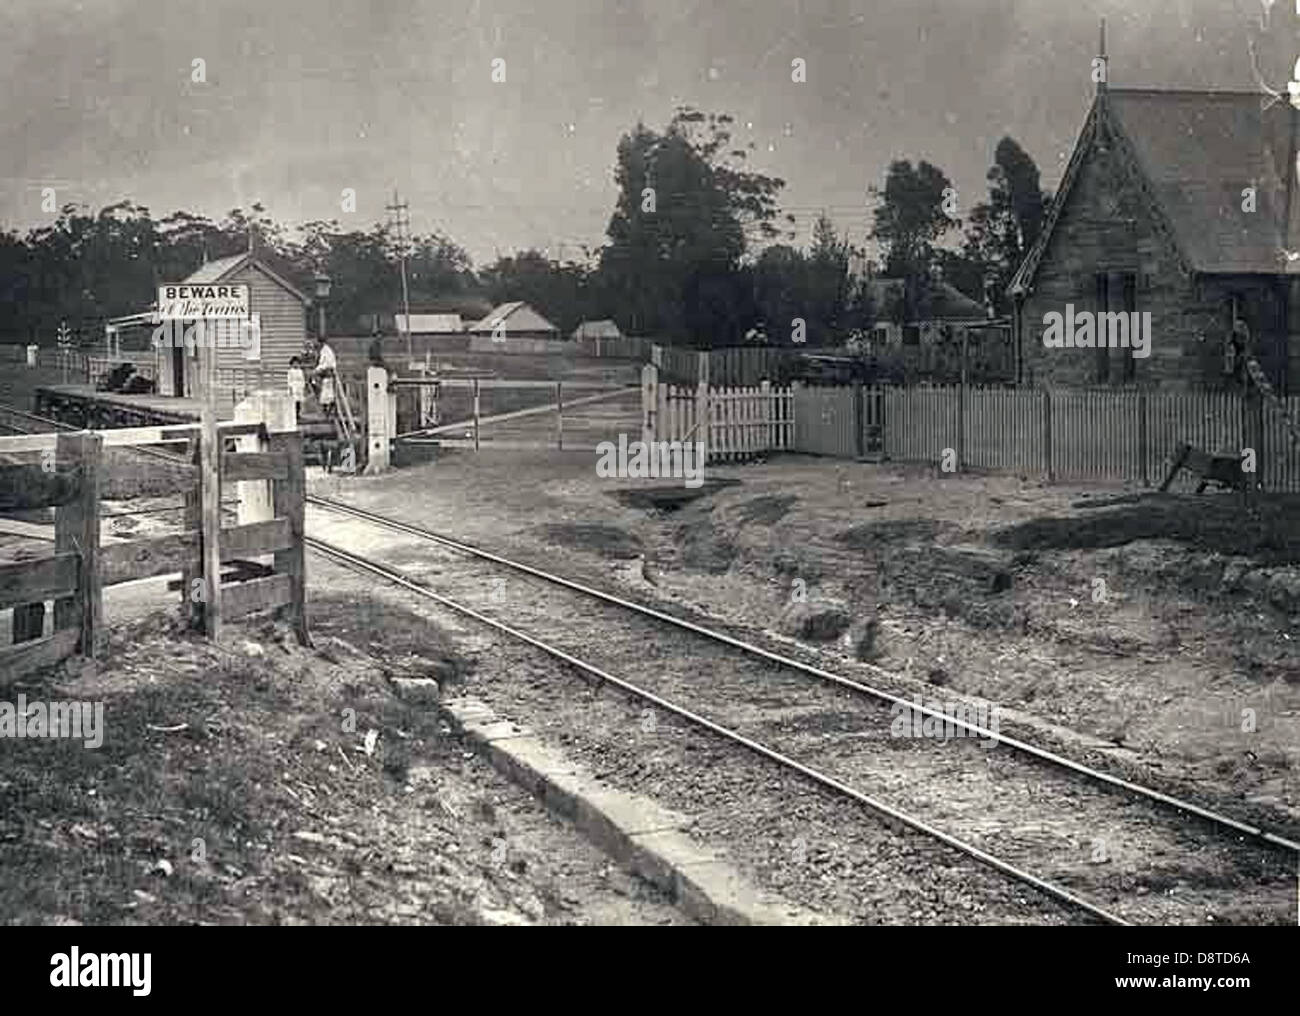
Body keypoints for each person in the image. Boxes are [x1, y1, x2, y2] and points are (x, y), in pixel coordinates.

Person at [313, 334, 338, 423]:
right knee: (323, 393)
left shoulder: (327, 351)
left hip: (327, 373)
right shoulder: (323, 351)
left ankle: (329, 411)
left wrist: (317, 370)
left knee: (328, 394)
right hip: (323, 374)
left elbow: (327, 364)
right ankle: (326, 411)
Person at [287, 356, 306, 420]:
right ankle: (293, 414)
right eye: (294, 363)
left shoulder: (300, 371)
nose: (295, 364)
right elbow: (289, 380)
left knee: (298, 402)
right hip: (293, 386)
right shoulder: (290, 371)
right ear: (292, 364)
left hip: (299, 387)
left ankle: (298, 413)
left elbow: (302, 379)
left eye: (297, 363)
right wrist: (290, 388)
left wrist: (302, 386)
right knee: (294, 402)